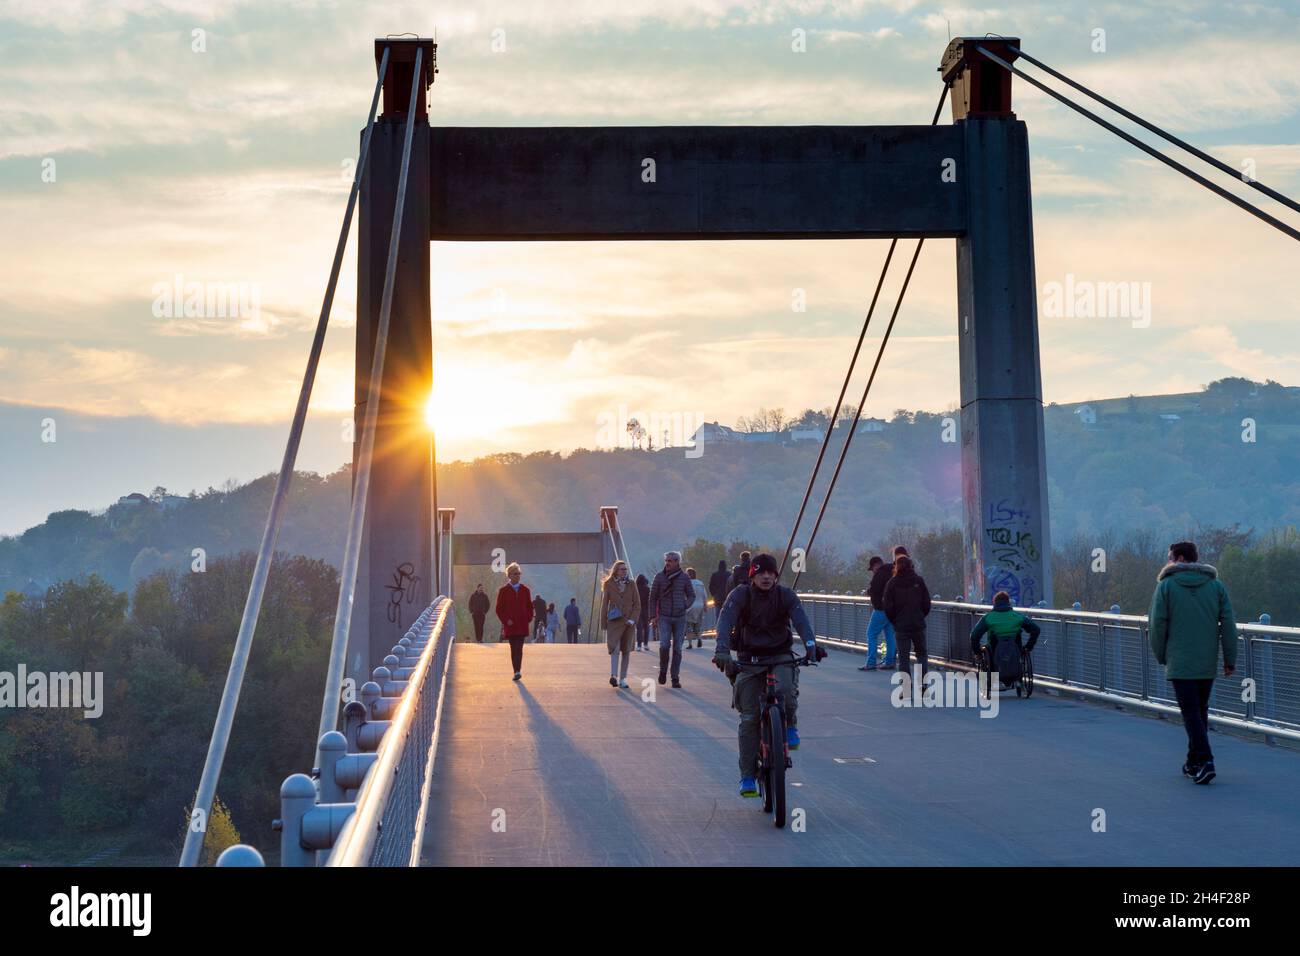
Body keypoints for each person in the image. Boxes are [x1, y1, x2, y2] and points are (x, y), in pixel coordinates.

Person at [712, 552, 824, 798]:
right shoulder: (740, 595)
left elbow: (801, 621)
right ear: (752, 575)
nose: (766, 577)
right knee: (750, 718)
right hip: (749, 660)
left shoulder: (786, 596)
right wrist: (721, 649)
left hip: (780, 655)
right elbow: (724, 621)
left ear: (775, 576)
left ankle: (790, 724)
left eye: (771, 573)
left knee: (785, 690)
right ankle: (748, 776)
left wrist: (811, 645)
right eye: (761, 573)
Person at [1148, 540, 1237, 785]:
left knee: (1190, 712)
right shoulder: (1216, 586)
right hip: (1206, 661)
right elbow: (1228, 624)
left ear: (1181, 559)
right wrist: (1230, 658)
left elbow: (1157, 625)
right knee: (1200, 710)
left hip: (1180, 661)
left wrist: (1161, 654)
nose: (1168, 562)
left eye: (1170, 557)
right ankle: (1193, 761)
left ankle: (1206, 760)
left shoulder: (1166, 587)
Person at [969, 590, 1041, 689]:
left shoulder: (988, 617)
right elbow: (1036, 629)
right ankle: (1019, 680)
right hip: (1015, 649)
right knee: (1018, 644)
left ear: (994, 603)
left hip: (995, 650)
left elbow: (974, 636)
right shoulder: (1017, 616)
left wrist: (977, 653)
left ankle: (993, 679)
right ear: (1008, 603)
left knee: (987, 648)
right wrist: (1029, 647)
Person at [649, 550, 696, 687]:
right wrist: (653, 616)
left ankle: (675, 677)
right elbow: (652, 598)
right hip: (664, 617)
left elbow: (691, 595)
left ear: (677, 562)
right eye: (666, 561)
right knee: (664, 645)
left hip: (680, 617)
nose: (667, 563)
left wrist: (684, 605)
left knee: (677, 648)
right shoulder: (659, 577)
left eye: (670, 561)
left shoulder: (685, 578)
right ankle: (663, 670)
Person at [882, 554, 931, 678]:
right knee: (921, 655)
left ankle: (906, 689)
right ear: (911, 566)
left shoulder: (892, 583)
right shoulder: (919, 581)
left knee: (903, 658)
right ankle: (923, 686)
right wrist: (920, 616)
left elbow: (887, 606)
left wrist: (895, 621)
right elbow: (926, 603)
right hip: (918, 624)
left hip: (901, 626)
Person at [859, 549, 902, 672]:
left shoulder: (880, 574)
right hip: (892, 610)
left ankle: (871, 662)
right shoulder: (892, 571)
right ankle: (890, 661)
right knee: (889, 635)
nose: (872, 571)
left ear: (876, 565)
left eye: (872, 569)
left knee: (871, 634)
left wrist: (868, 592)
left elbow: (875, 590)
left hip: (880, 610)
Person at [601, 559, 641, 688]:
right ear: (616, 571)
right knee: (615, 649)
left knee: (626, 651)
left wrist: (633, 619)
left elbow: (637, 605)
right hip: (614, 621)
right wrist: (603, 623)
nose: (625, 571)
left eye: (626, 569)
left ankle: (623, 679)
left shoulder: (632, 584)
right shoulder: (609, 584)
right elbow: (604, 604)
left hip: (629, 623)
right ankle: (613, 676)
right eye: (622, 569)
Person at [495, 563, 533, 681]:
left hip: (522, 624)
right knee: (513, 648)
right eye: (515, 574)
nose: (518, 576)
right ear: (509, 575)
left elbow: (530, 607)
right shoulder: (503, 591)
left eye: (519, 574)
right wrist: (506, 620)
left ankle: (518, 671)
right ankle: (515, 670)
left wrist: (528, 618)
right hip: (510, 625)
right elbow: (499, 609)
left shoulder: (525, 590)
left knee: (519, 648)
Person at [685, 567, 709, 648]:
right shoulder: (700, 583)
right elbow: (704, 596)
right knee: (698, 625)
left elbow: (684, 596)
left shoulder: (687, 584)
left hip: (690, 607)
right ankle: (699, 638)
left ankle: (690, 644)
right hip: (700, 606)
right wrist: (705, 606)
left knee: (688, 625)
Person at [708, 559, 730, 628]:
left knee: (718, 615)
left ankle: (719, 629)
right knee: (727, 615)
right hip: (727, 598)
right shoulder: (729, 574)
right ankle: (726, 629)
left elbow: (710, 586)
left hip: (717, 599)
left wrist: (714, 595)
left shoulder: (714, 575)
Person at [635, 573, 651, 651]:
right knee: (646, 627)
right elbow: (649, 600)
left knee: (639, 628)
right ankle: (646, 644)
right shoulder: (647, 589)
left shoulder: (635, 589)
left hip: (637, 610)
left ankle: (638, 645)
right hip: (645, 609)